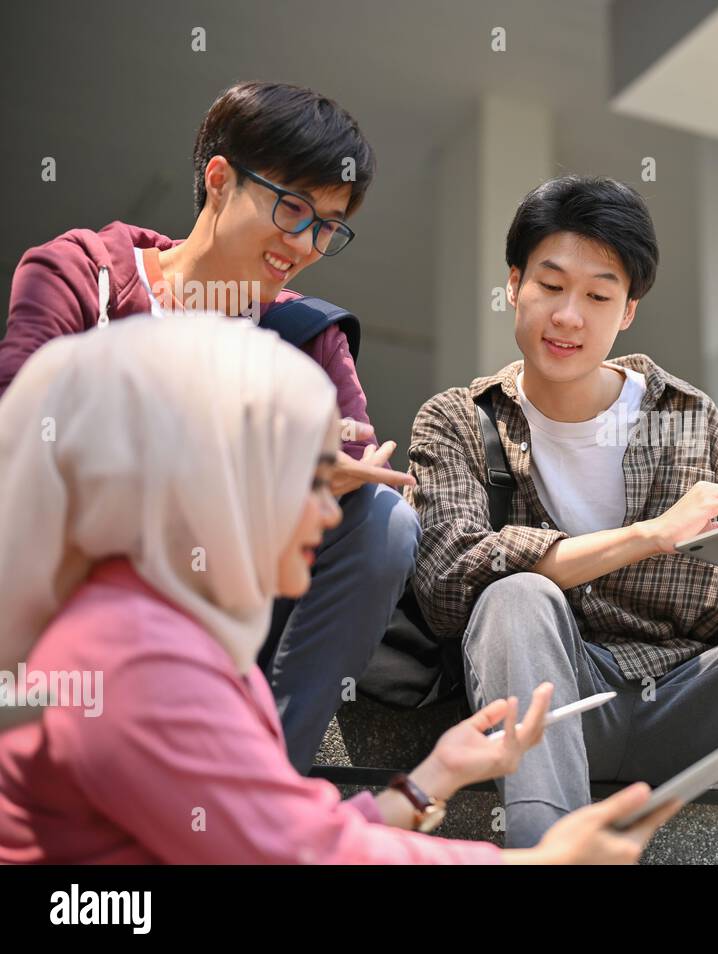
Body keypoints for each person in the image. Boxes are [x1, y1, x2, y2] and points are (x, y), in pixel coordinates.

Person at [0, 314, 678, 864]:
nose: (331, 514)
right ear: (209, 486)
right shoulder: (133, 655)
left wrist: (434, 776)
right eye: (307, 480)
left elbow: (287, 835)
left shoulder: (156, 632)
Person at [406, 175, 718, 864]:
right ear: (513, 284)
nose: (568, 316)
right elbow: (448, 583)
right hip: (547, 710)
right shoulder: (458, 422)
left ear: (628, 311)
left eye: (598, 295)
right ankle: (550, 853)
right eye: (551, 285)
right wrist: (650, 536)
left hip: (688, 704)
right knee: (515, 593)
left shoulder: (688, 418)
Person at [0, 81, 417, 772]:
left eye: (328, 225)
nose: (305, 243)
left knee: (385, 522)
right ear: (219, 180)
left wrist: (319, 481)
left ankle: (268, 780)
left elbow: (357, 468)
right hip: (78, 605)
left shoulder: (308, 333)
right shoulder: (85, 278)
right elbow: (22, 438)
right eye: (292, 208)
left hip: (232, 618)